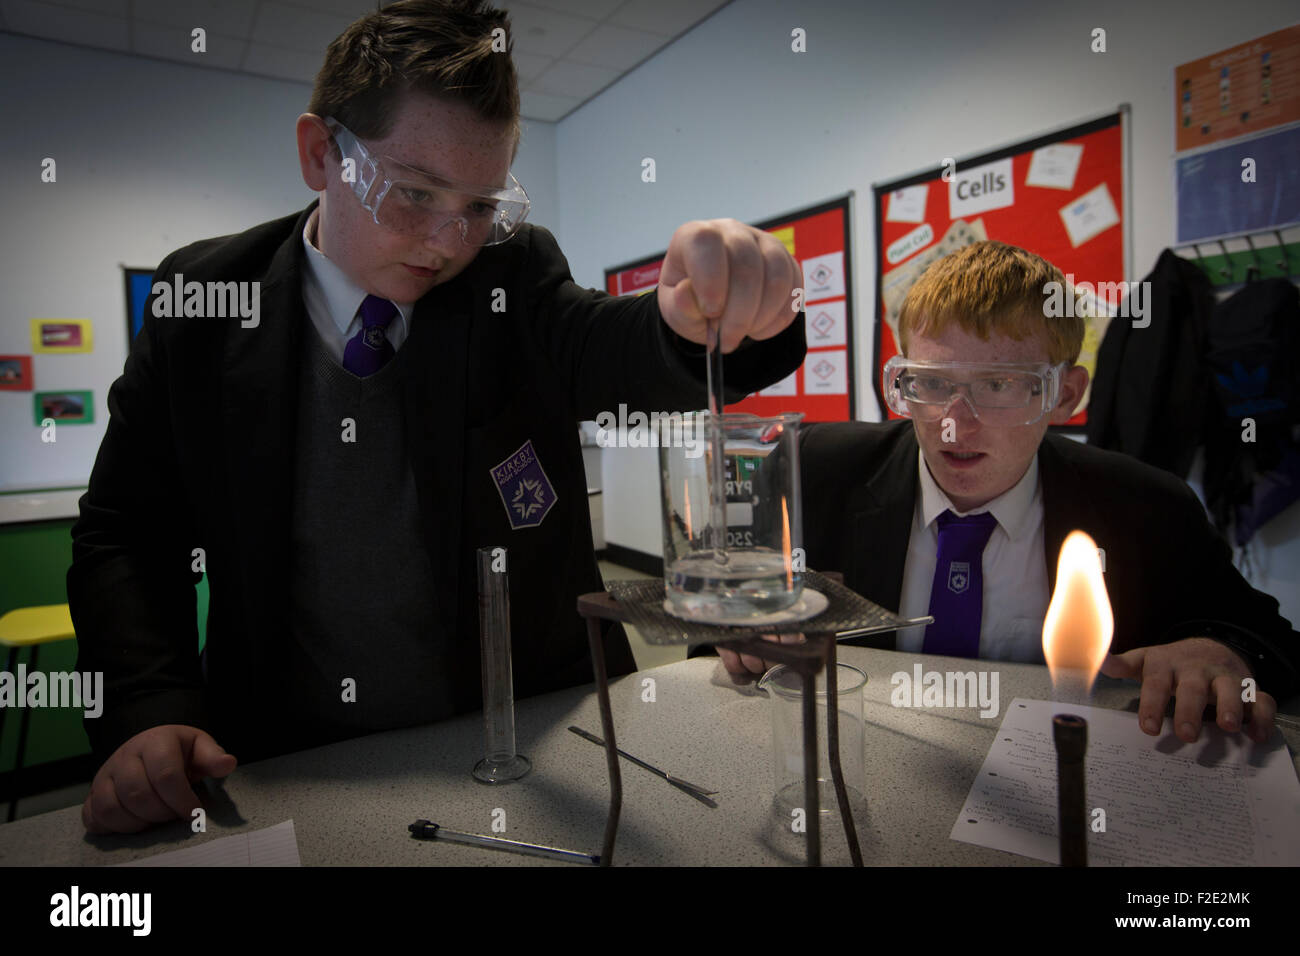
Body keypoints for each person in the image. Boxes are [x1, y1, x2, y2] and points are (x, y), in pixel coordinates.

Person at [70, 0, 806, 834]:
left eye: (481, 203)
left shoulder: (511, 274)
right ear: (322, 154)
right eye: (413, 193)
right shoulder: (202, 301)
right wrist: (148, 707)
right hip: (285, 766)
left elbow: (611, 347)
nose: (448, 240)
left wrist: (710, 315)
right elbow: (126, 531)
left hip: (534, 743)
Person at [719, 241, 1297, 747]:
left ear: (1065, 395)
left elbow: (1269, 639)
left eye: (1000, 386)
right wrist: (742, 627)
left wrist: (1224, 654)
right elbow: (714, 631)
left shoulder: (1147, 506)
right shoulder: (815, 471)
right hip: (856, 768)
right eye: (931, 383)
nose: (955, 424)